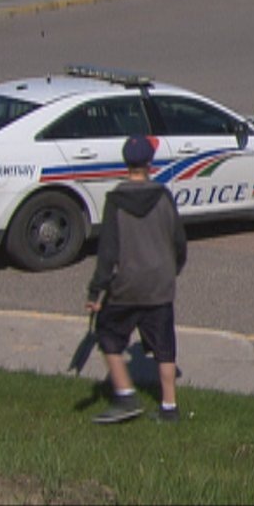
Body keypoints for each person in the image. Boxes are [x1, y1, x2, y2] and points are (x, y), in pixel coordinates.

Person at [86, 135, 188, 424]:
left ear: (126, 163)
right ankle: (169, 407)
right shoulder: (164, 196)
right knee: (165, 346)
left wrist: (96, 292)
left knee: (108, 333)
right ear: (149, 163)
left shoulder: (115, 200)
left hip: (127, 285)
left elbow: (108, 251)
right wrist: (173, 269)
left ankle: (126, 394)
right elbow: (178, 240)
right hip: (160, 284)